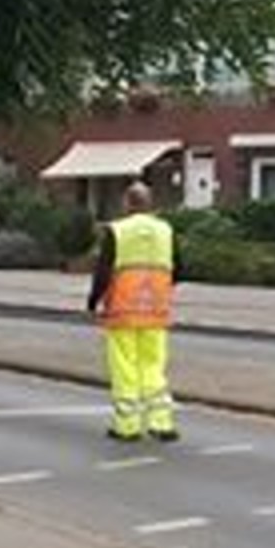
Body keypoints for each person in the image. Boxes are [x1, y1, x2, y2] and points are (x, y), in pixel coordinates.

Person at [86, 180, 178, 441]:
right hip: (156, 310)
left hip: (123, 310)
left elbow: (103, 271)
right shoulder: (165, 231)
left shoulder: (117, 231)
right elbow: (178, 267)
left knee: (125, 367)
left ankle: (127, 427)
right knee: (154, 366)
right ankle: (161, 423)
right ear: (150, 204)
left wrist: (93, 302)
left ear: (127, 203)